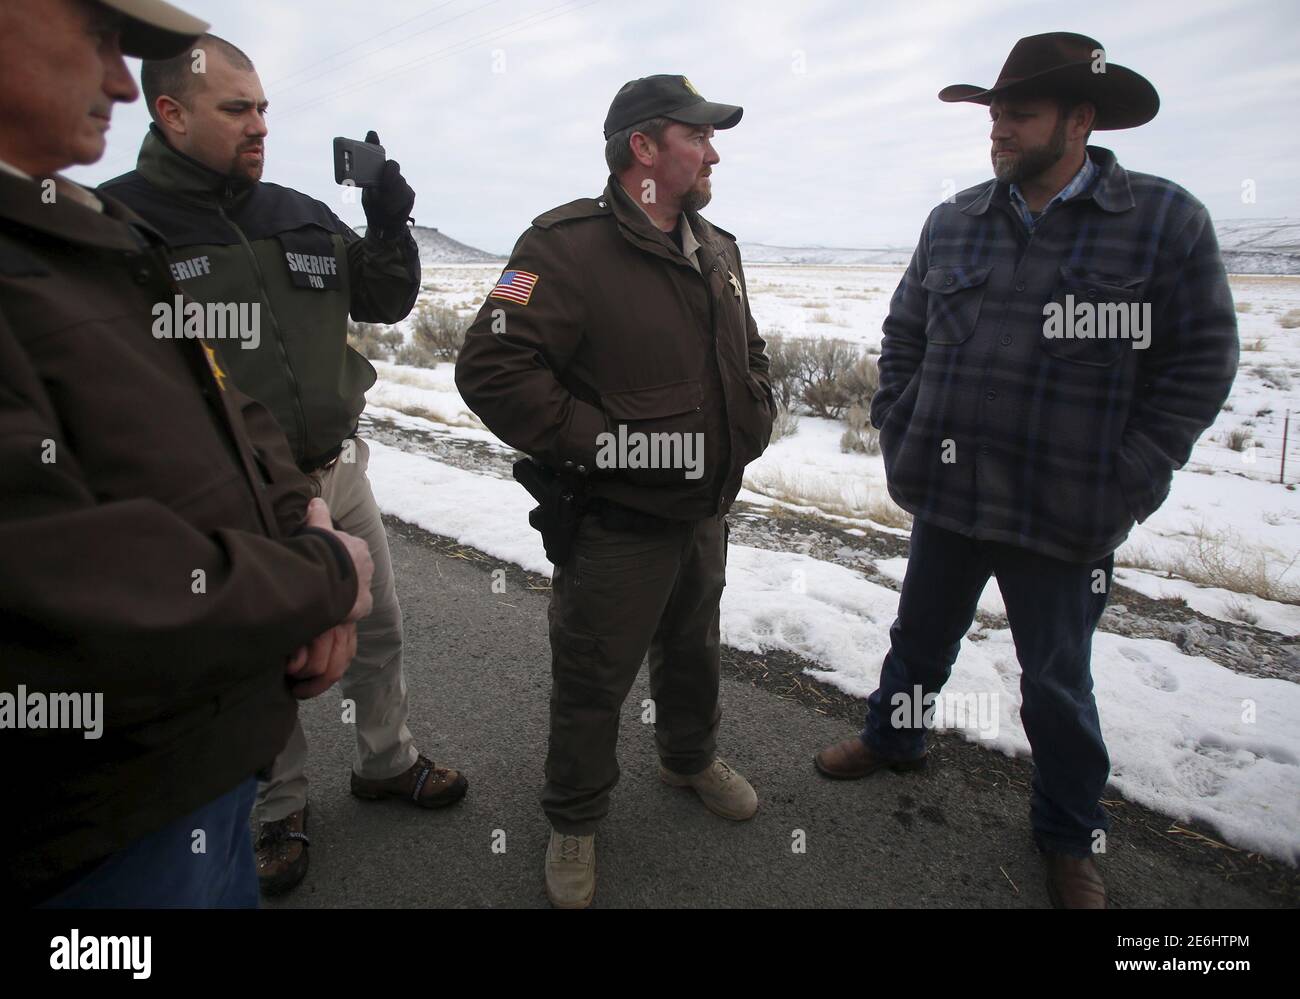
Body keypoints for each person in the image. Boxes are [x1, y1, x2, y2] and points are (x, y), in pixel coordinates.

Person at [813, 32, 1239, 908]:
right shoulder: (957, 218)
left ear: (1079, 119)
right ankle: (894, 740)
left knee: (1055, 680)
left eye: (1020, 113)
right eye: (995, 112)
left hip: (1067, 511)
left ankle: (1068, 834)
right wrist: (900, 425)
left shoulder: (1162, 223)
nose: (999, 129)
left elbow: (1198, 365)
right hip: (949, 489)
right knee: (919, 640)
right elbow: (903, 334)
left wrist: (1130, 477)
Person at [0, 0, 375, 907]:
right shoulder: (126, 219)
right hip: (93, 830)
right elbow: (51, 582)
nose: (123, 81)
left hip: (194, 767)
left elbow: (219, 399)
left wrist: (302, 521)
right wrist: (317, 575)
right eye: (98, 35)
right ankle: (287, 808)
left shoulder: (80, 228)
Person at [100, 33, 468, 897]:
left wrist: (387, 217)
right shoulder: (123, 225)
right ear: (172, 112)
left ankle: (386, 759)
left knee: (376, 629)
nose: (260, 124)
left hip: (339, 471)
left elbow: (383, 296)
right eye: (237, 110)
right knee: (271, 660)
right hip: (228, 494)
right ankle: (279, 810)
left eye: (264, 106)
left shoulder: (296, 210)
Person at [456, 74, 775, 908]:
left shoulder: (718, 246)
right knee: (596, 674)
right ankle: (574, 816)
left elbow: (751, 351)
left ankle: (687, 756)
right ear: (643, 147)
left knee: (695, 642)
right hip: (617, 522)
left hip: (704, 509)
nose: (714, 152)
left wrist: (757, 410)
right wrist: (608, 445)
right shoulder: (563, 246)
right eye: (698, 137)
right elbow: (490, 366)